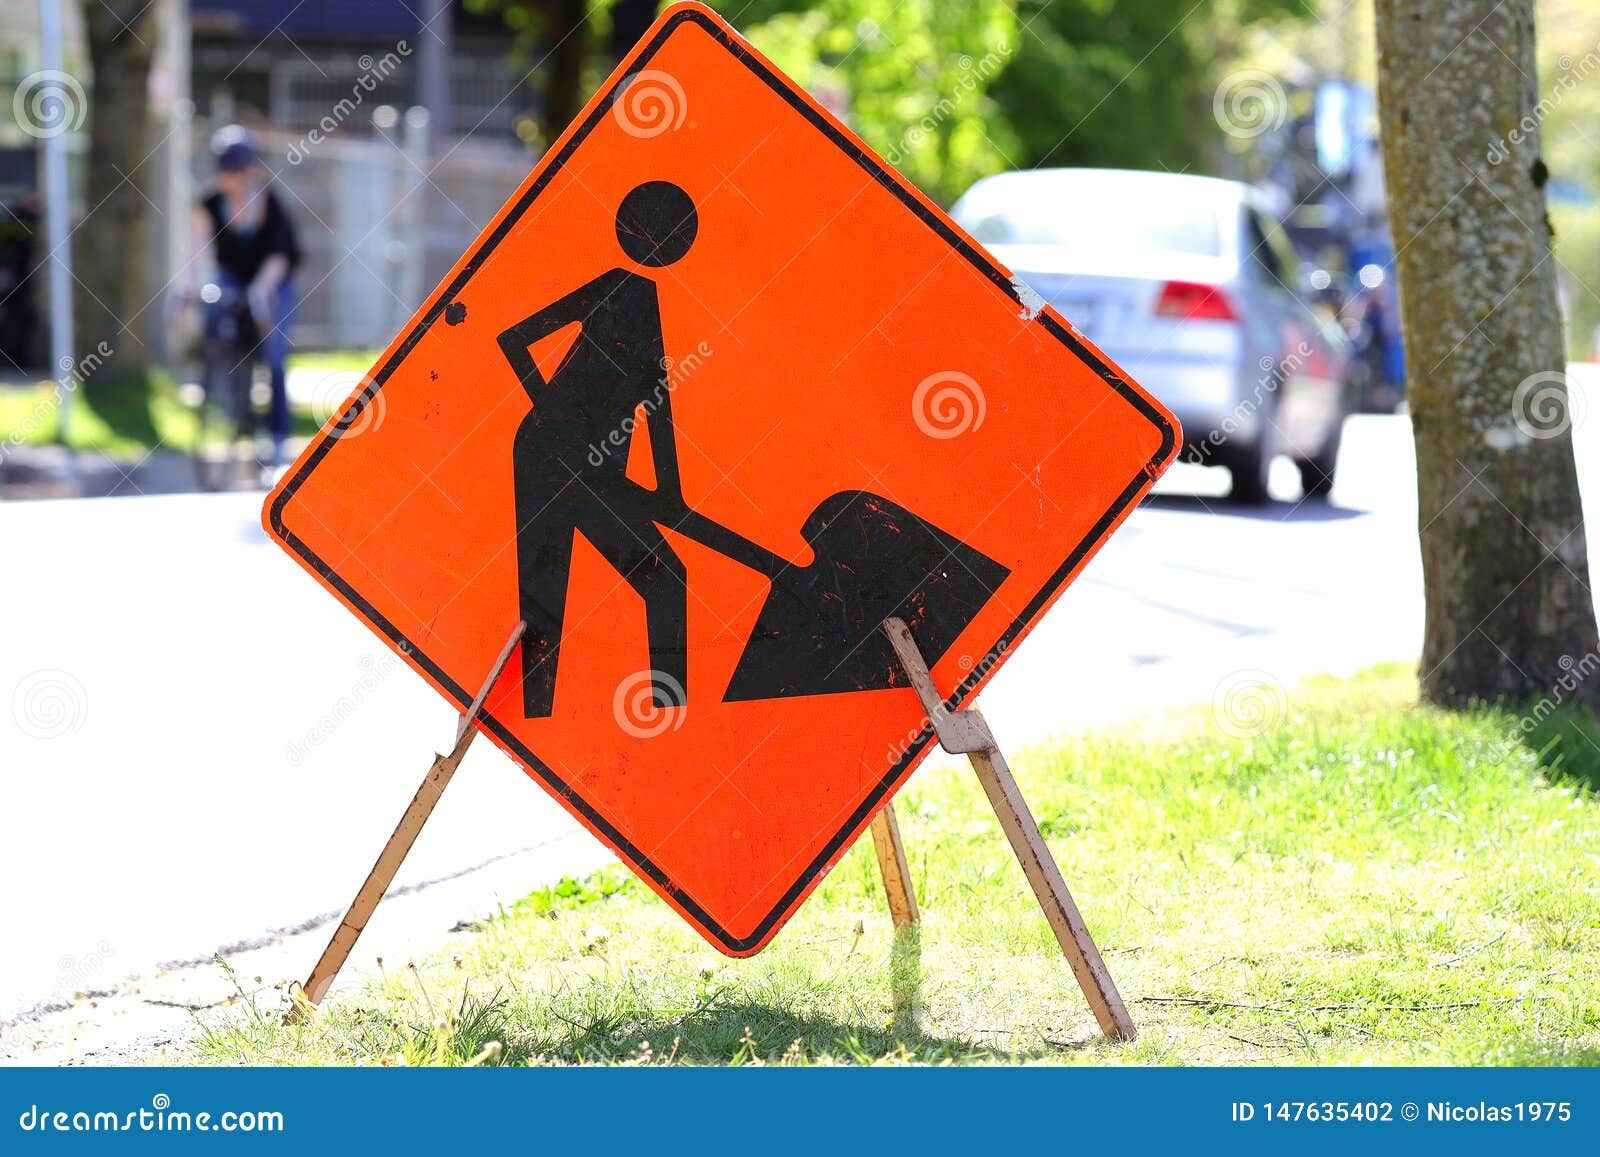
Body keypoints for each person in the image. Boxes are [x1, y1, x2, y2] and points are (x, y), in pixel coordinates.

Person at [498, 181, 699, 719]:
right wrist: (553, 418)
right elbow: (514, 338)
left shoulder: (650, 303)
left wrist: (670, 493)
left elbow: (656, 406)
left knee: (667, 580)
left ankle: (668, 719)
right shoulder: (619, 287)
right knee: (544, 603)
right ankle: (541, 723)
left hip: (593, 469)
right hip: (545, 456)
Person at [193, 125, 301, 466]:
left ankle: (277, 435)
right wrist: (186, 288)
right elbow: (195, 251)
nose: (232, 179)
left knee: (273, 354)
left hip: (272, 282)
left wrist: (262, 289)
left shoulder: (269, 202)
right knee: (216, 319)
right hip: (233, 280)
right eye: (226, 171)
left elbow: (281, 254)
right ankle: (228, 406)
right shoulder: (209, 204)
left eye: (238, 171)